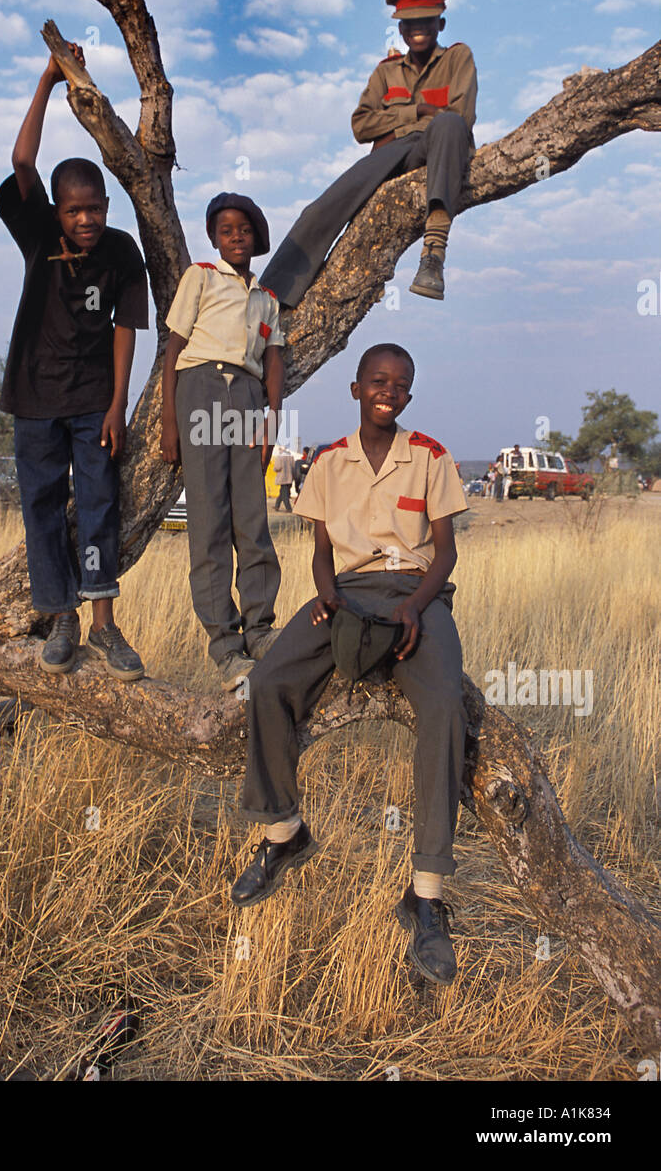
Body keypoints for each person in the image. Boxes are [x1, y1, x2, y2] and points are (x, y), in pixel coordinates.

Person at [231, 343, 470, 987]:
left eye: (401, 385)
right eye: (378, 381)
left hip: (415, 596)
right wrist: (328, 595)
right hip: (346, 598)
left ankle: (426, 895)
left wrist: (420, 607)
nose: (389, 392)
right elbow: (319, 550)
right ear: (357, 388)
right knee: (269, 684)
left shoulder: (431, 455)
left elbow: (444, 553)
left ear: (408, 396)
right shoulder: (329, 463)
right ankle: (285, 833)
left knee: (446, 705)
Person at [0, 43, 147, 679]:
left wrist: (115, 405)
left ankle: (105, 623)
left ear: (107, 208)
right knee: (41, 504)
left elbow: (127, 327)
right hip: (33, 396)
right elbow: (22, 158)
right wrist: (48, 80)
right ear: (56, 210)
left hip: (90, 400)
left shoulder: (120, 251)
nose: (86, 218)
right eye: (74, 209)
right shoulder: (38, 233)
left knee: (98, 502)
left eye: (95, 208)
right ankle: (61, 617)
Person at [260, 0, 476, 307]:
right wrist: (416, 110)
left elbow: (460, 116)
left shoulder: (458, 58)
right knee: (325, 206)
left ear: (440, 24)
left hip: (439, 149)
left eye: (426, 21)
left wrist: (405, 121)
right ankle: (271, 298)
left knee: (447, 123)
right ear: (401, 30)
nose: (418, 29)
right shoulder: (386, 72)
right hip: (392, 155)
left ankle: (433, 254)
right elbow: (361, 125)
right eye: (411, 23)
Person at [161, 193, 285, 692]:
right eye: (226, 229)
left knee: (252, 521)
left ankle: (260, 629)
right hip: (202, 388)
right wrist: (170, 421)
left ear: (256, 238)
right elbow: (173, 346)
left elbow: (274, 361)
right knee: (209, 519)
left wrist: (272, 421)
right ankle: (225, 644)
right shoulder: (201, 277)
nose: (236, 237)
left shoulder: (268, 299)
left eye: (245, 230)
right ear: (214, 238)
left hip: (249, 396)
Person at [272, 446, 294, 512]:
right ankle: (277, 506)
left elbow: (277, 467)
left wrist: (274, 469)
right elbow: (293, 466)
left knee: (284, 495)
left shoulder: (280, 457)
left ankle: (289, 508)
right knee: (282, 492)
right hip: (289, 477)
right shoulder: (290, 456)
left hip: (283, 478)